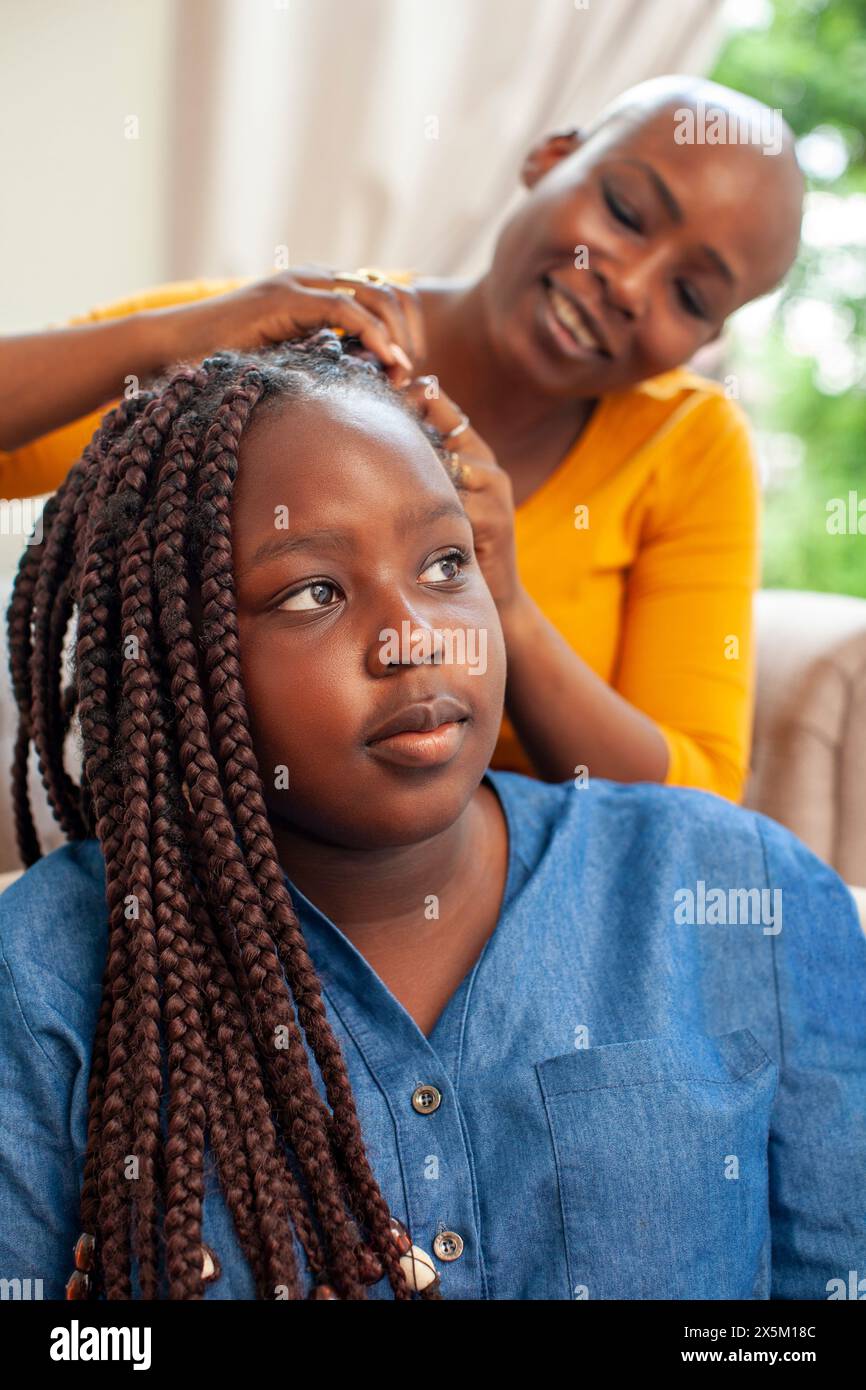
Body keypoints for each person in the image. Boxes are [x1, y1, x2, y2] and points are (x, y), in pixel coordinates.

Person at [0, 332, 862, 1301]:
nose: (412, 634)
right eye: (314, 591)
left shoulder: (742, 894)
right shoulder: (42, 972)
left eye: (445, 564)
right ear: (166, 659)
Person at [0, 77, 806, 800]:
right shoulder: (293, 339)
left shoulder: (690, 441)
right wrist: (180, 337)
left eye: (692, 295)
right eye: (626, 214)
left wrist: (508, 604)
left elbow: (695, 795)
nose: (627, 283)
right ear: (551, 158)